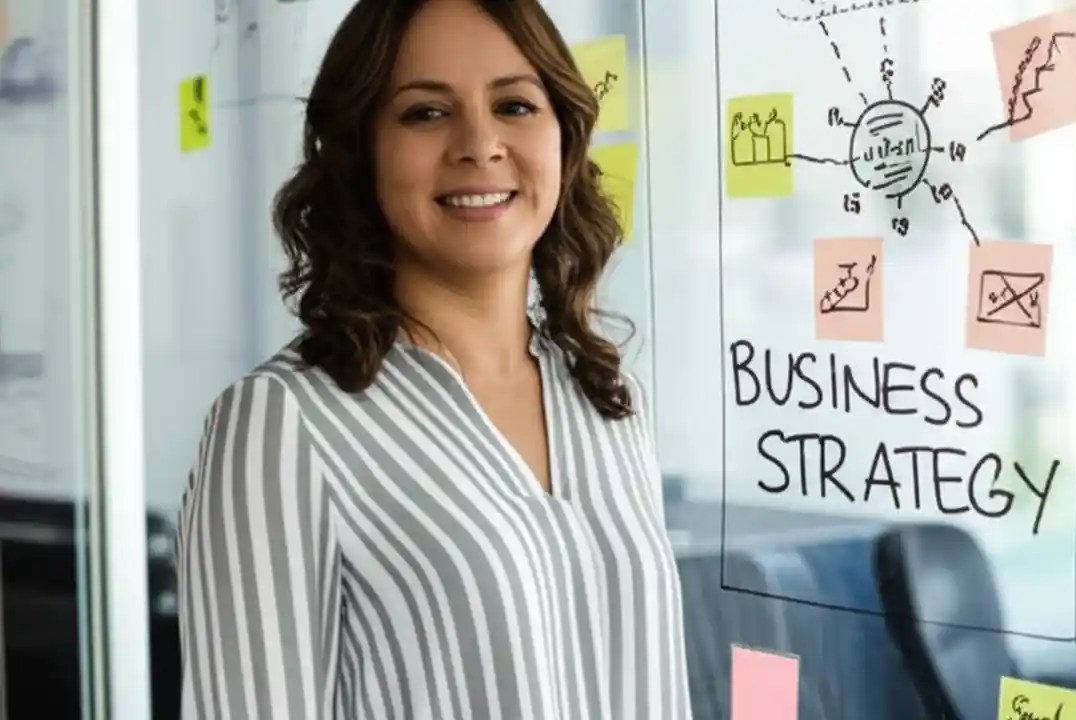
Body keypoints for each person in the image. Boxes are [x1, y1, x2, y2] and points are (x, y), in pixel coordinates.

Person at [174, 0, 692, 717]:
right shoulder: (281, 424)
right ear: (361, 150)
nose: (480, 144)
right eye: (425, 113)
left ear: (564, 139)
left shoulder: (604, 397)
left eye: (514, 104)